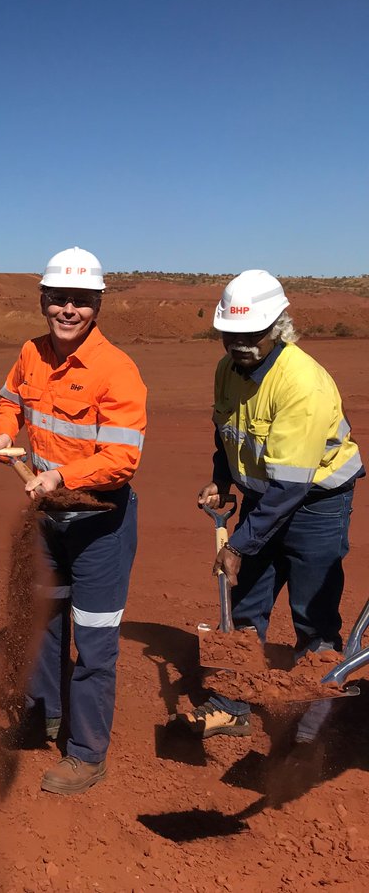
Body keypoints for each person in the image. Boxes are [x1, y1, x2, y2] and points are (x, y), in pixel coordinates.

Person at [0, 247, 146, 795]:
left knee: (94, 643)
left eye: (80, 301)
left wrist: (61, 477)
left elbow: (122, 459)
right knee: (43, 623)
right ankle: (43, 715)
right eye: (58, 300)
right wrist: (6, 432)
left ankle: (86, 753)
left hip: (99, 524)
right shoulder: (32, 353)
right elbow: (11, 399)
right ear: (43, 302)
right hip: (47, 521)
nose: (68, 310)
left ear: (97, 305)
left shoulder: (116, 369)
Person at [182, 270, 363, 741]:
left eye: (252, 335)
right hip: (267, 497)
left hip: (316, 503)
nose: (240, 345)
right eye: (231, 335)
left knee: (312, 608)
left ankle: (314, 715)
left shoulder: (302, 383)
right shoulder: (228, 371)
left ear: (278, 328)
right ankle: (231, 705)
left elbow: (291, 489)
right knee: (245, 603)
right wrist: (222, 480)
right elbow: (227, 432)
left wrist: (239, 546)